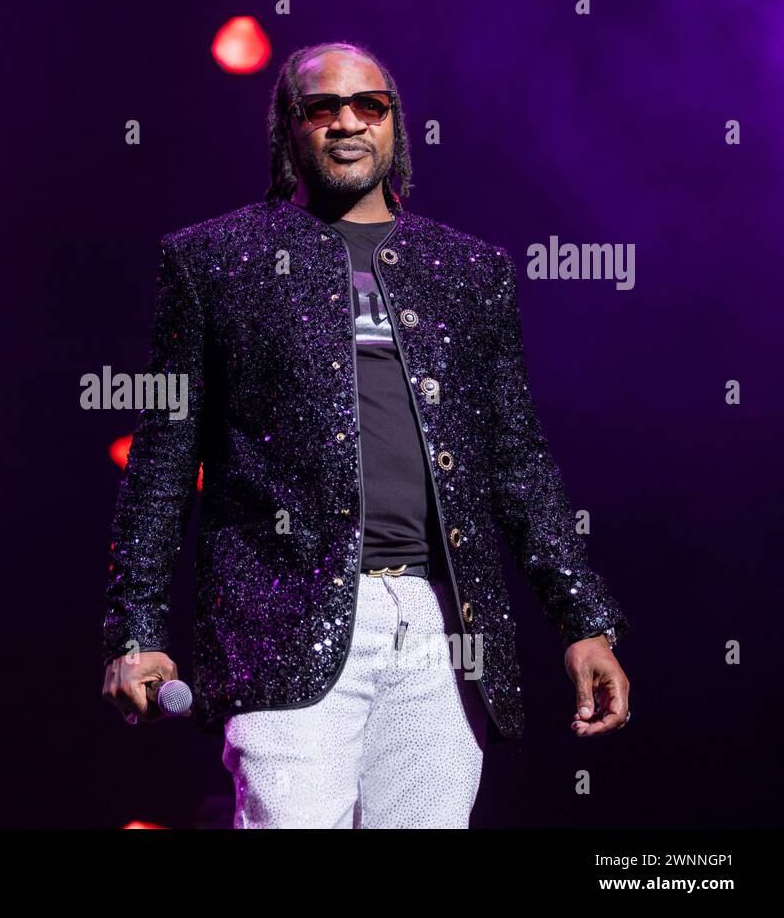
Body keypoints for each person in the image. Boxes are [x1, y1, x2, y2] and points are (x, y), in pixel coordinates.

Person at [100, 41, 631, 828]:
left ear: (395, 125)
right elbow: (164, 461)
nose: (347, 123)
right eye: (322, 108)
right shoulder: (213, 263)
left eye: (368, 106)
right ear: (290, 127)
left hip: (442, 629)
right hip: (281, 616)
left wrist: (584, 620)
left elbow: (516, 459)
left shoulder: (466, 270)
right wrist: (137, 628)